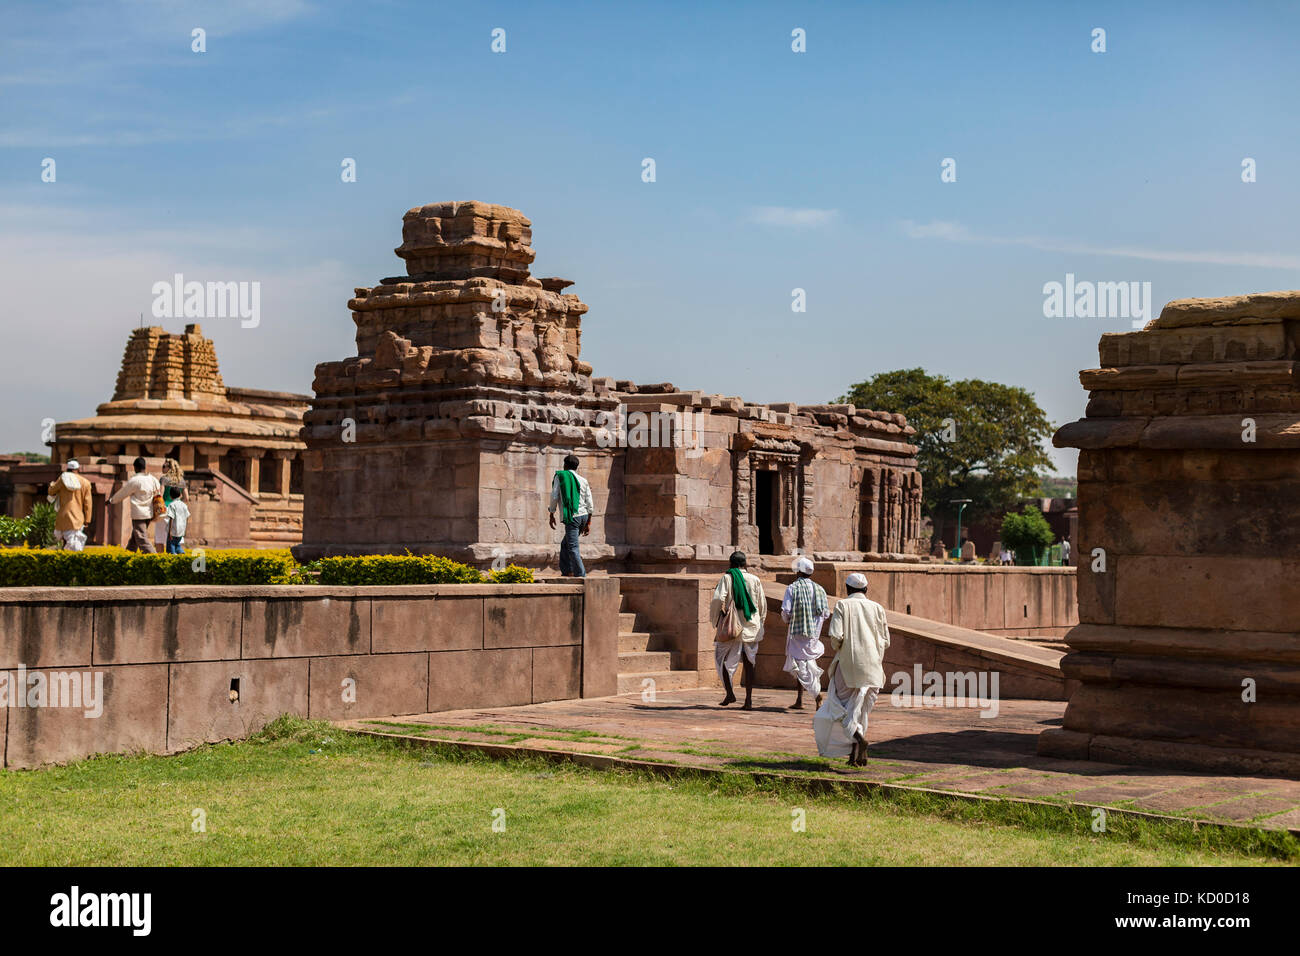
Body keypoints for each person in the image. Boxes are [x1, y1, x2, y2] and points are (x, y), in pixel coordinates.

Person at [814, 572, 891, 766]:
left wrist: (841, 648)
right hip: (873, 668)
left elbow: (836, 636)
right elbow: (886, 641)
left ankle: (859, 740)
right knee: (861, 712)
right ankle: (854, 756)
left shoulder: (842, 605)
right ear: (866, 589)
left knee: (838, 708)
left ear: (847, 589)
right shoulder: (877, 608)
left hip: (848, 666)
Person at [709, 551, 767, 709]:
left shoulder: (728, 578)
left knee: (721, 659)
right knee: (750, 663)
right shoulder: (755, 579)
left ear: (731, 564)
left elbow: (718, 598)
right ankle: (748, 700)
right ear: (745, 564)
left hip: (732, 628)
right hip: (751, 627)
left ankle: (730, 693)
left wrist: (715, 618)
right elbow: (762, 604)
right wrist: (760, 622)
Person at [780, 556, 829, 710]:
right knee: (806, 662)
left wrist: (788, 620)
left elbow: (786, 611)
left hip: (797, 631)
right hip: (814, 632)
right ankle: (800, 699)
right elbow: (826, 613)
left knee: (800, 664)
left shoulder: (793, 588)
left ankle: (816, 694)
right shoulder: (820, 589)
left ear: (798, 572)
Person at [548, 453, 594, 577]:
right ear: (576, 467)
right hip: (584, 516)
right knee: (566, 544)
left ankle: (581, 575)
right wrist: (588, 522)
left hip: (573, 517)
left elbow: (554, 495)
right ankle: (567, 571)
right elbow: (589, 501)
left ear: (565, 465)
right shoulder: (583, 480)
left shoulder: (561, 476)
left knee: (573, 547)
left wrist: (551, 513)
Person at [109, 457, 162, 553]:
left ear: (135, 468)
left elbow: (123, 493)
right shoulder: (153, 479)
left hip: (139, 514)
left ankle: (154, 557)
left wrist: (111, 500)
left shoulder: (135, 480)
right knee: (135, 538)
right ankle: (127, 556)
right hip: (150, 513)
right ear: (145, 467)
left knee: (141, 538)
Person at [47, 459, 93, 551]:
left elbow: (51, 491)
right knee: (74, 543)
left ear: (67, 469)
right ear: (78, 469)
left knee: (64, 541)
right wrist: (87, 519)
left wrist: (52, 484)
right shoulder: (85, 482)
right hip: (78, 518)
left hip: (63, 516)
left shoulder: (62, 479)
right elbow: (88, 503)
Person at [164, 485, 190, 554]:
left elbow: (171, 518)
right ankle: (181, 552)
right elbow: (187, 517)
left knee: (171, 546)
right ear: (180, 495)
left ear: (170, 496)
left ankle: (173, 556)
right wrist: (185, 529)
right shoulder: (184, 505)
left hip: (173, 531)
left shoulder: (172, 505)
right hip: (181, 531)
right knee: (177, 544)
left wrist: (169, 531)